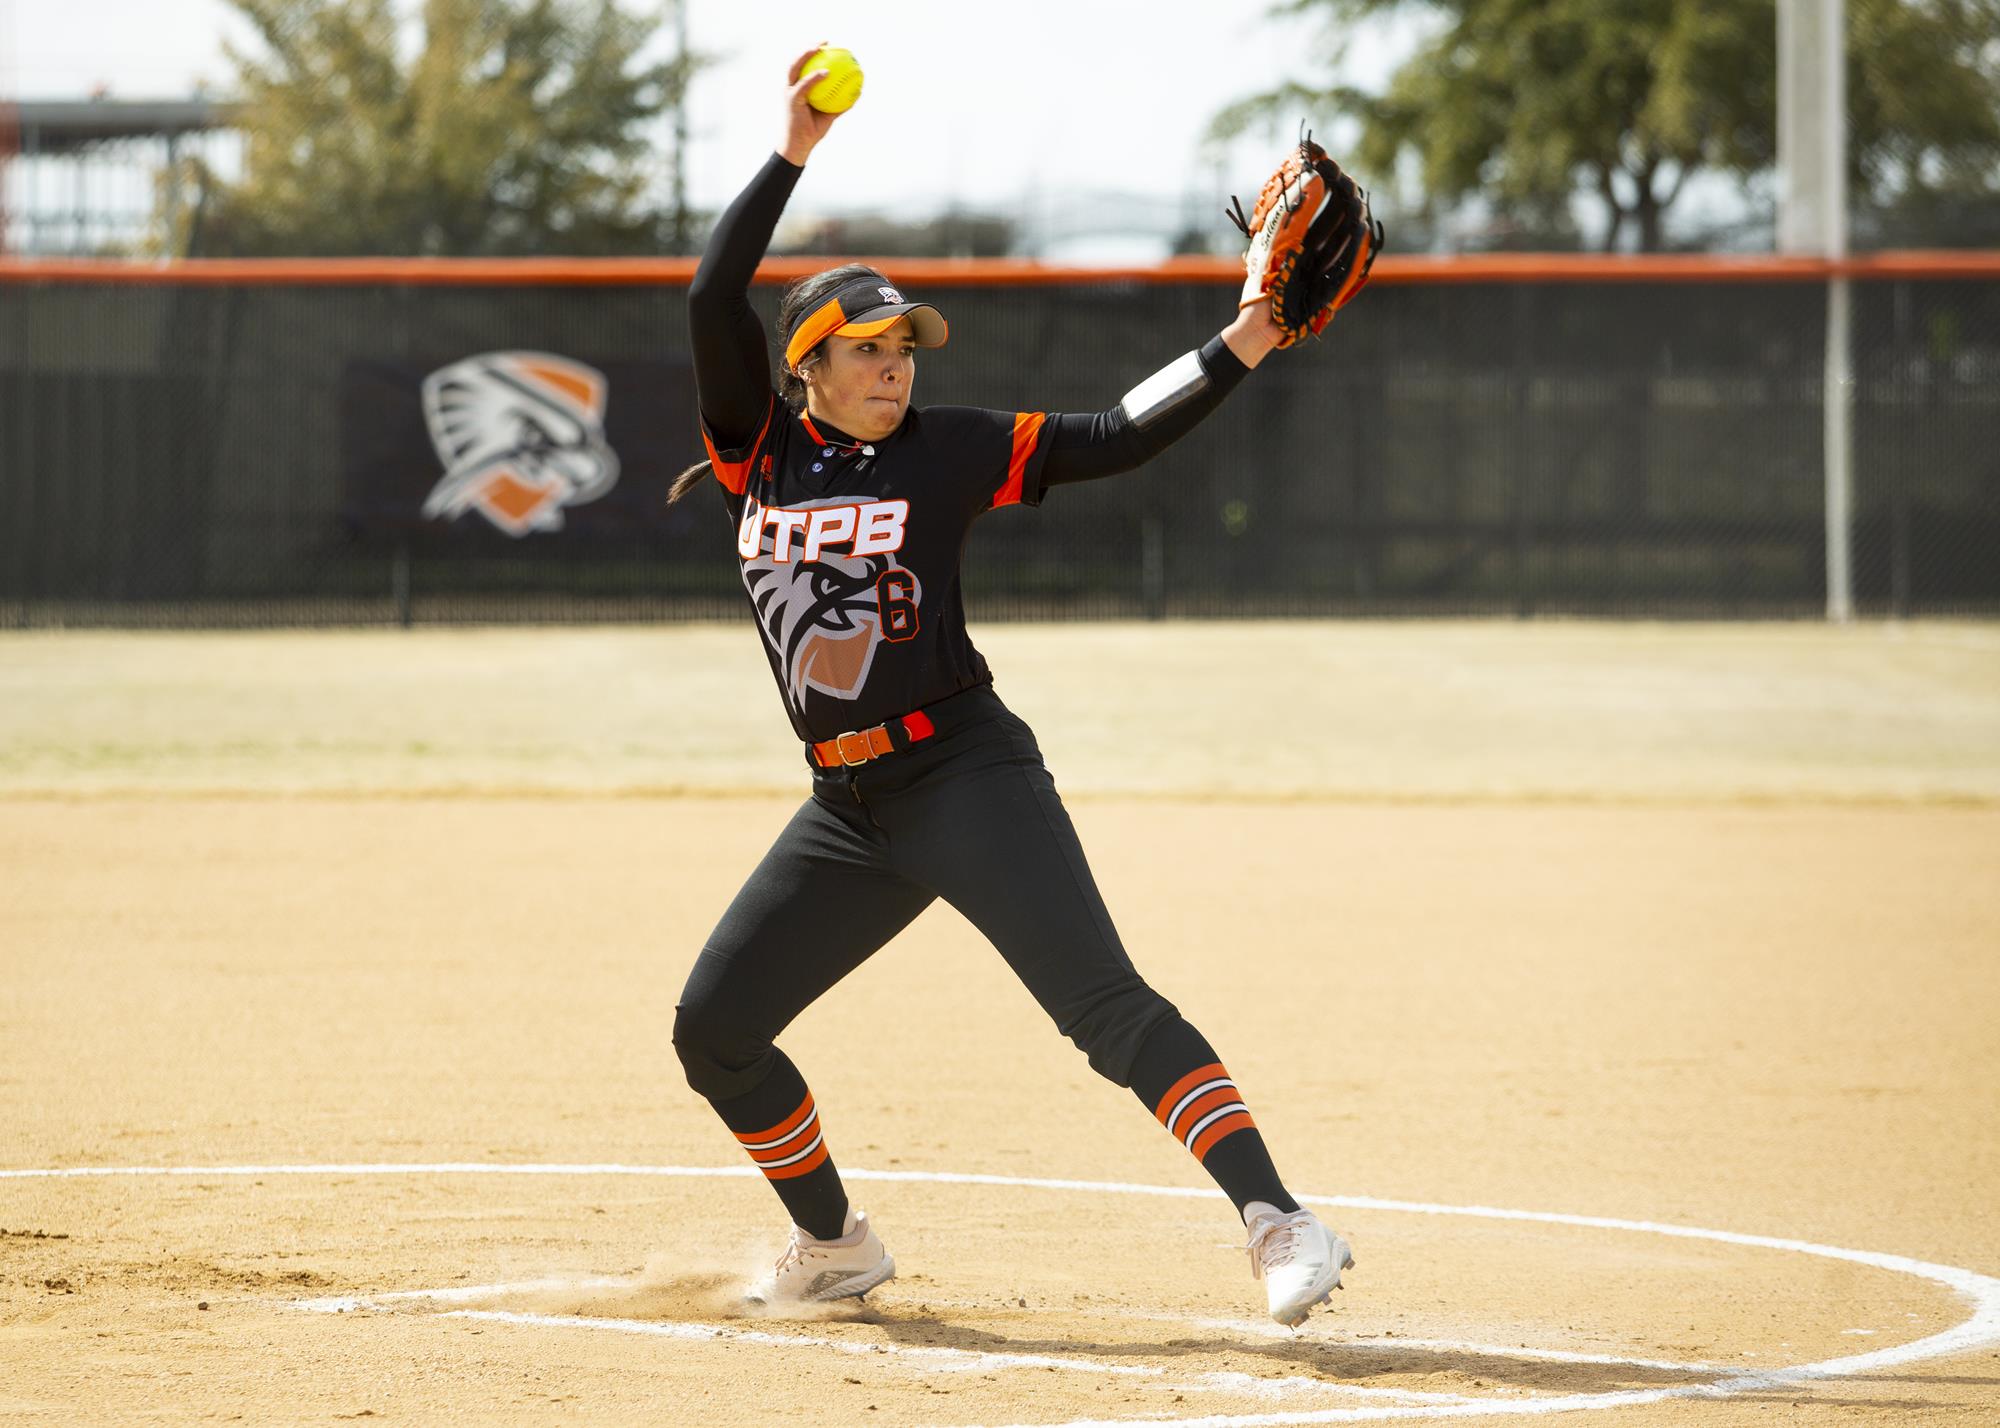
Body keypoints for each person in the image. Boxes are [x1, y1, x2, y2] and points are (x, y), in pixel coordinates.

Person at [669, 46, 1355, 1329]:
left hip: (963, 774)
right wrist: (792, 150)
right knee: (713, 1029)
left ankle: (1280, 1221)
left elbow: (1117, 434)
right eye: (867, 347)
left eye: (905, 347)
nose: (896, 365)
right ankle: (833, 1244)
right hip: (846, 810)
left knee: (1101, 1009)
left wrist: (1250, 335)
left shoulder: (946, 450)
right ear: (807, 365)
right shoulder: (754, 453)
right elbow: (712, 292)